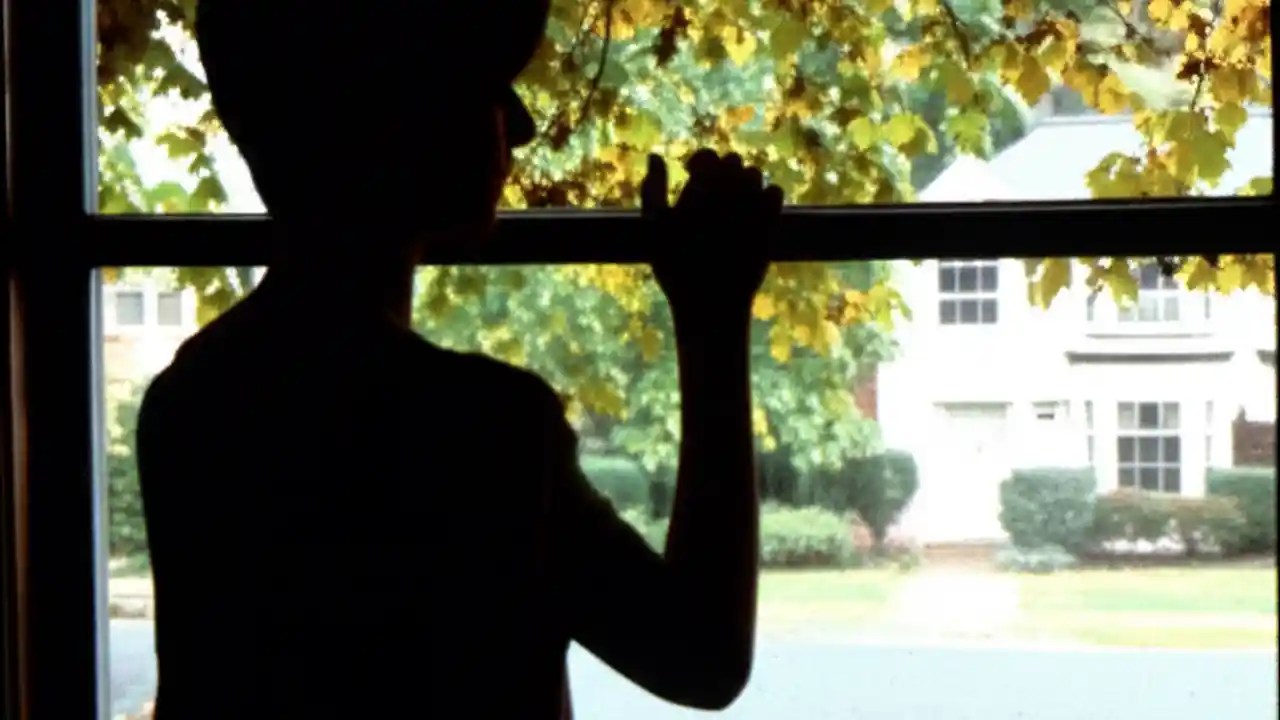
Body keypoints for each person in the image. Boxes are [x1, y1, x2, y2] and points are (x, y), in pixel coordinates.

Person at [135, 1, 784, 718]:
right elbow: (702, 658)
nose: (521, 124)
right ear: (405, 114)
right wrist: (712, 312)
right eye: (484, 87)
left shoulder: (191, 402)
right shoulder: (483, 429)